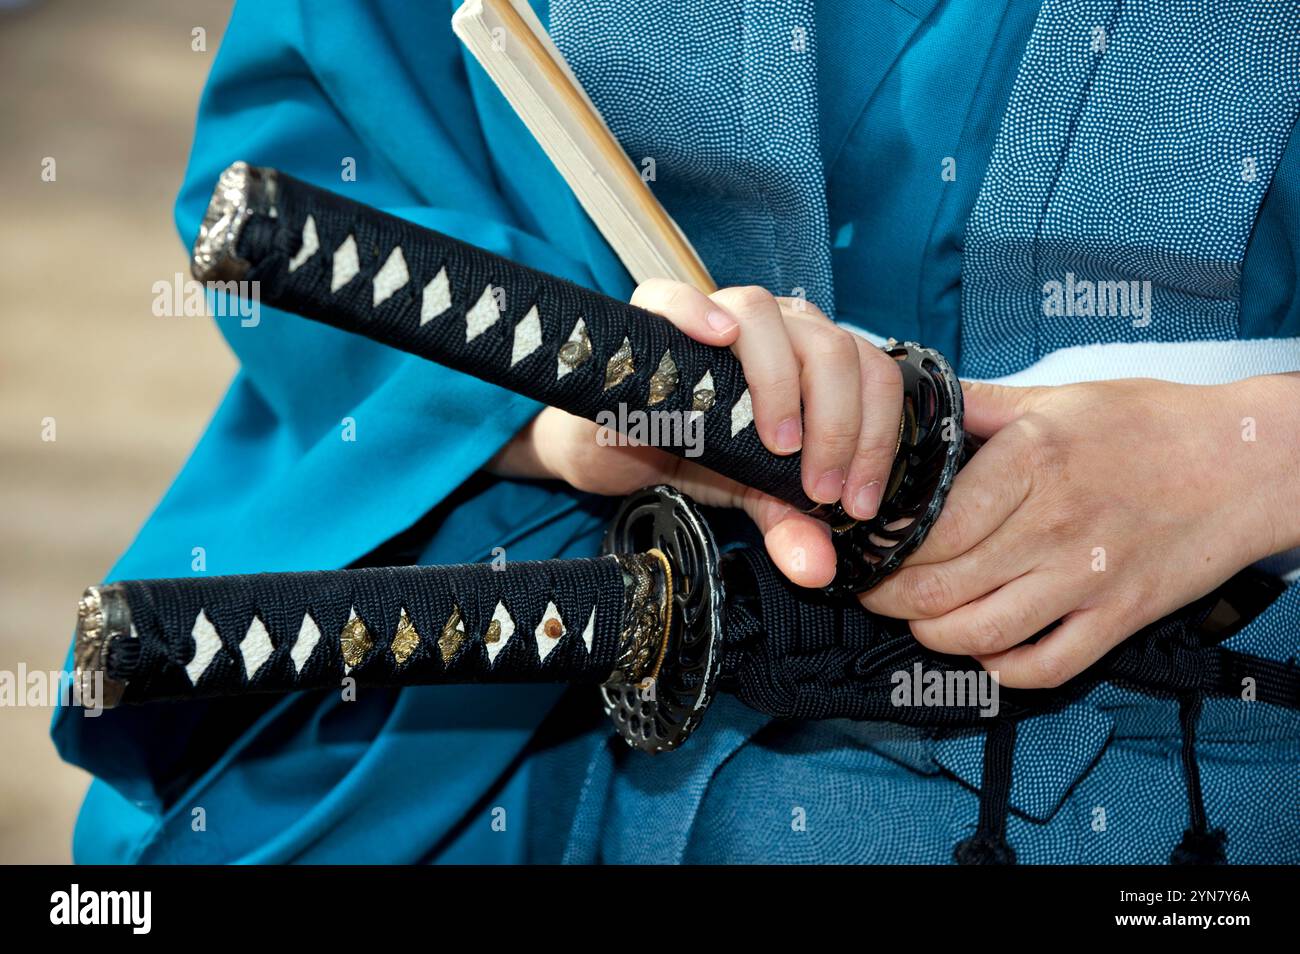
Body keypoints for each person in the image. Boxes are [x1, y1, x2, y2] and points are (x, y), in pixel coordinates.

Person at [54, 0, 1300, 863]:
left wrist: (1244, 457)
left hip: (1223, 785)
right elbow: (330, 124)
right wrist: (570, 416)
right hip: (625, 781)